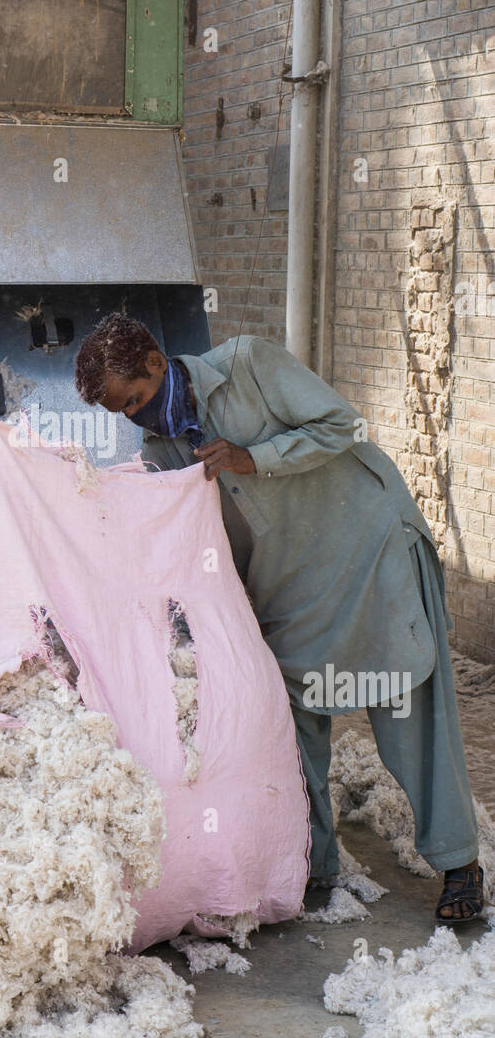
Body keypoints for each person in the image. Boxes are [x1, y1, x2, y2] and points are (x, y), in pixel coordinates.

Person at [74, 313, 484, 923]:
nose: (136, 417)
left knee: (407, 708)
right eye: (122, 413)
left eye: (135, 400)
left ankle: (459, 864)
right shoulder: (160, 449)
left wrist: (252, 457)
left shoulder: (249, 366)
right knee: (292, 725)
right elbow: (189, 537)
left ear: (157, 364)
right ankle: (311, 866)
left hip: (367, 551)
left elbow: (340, 425)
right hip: (290, 589)